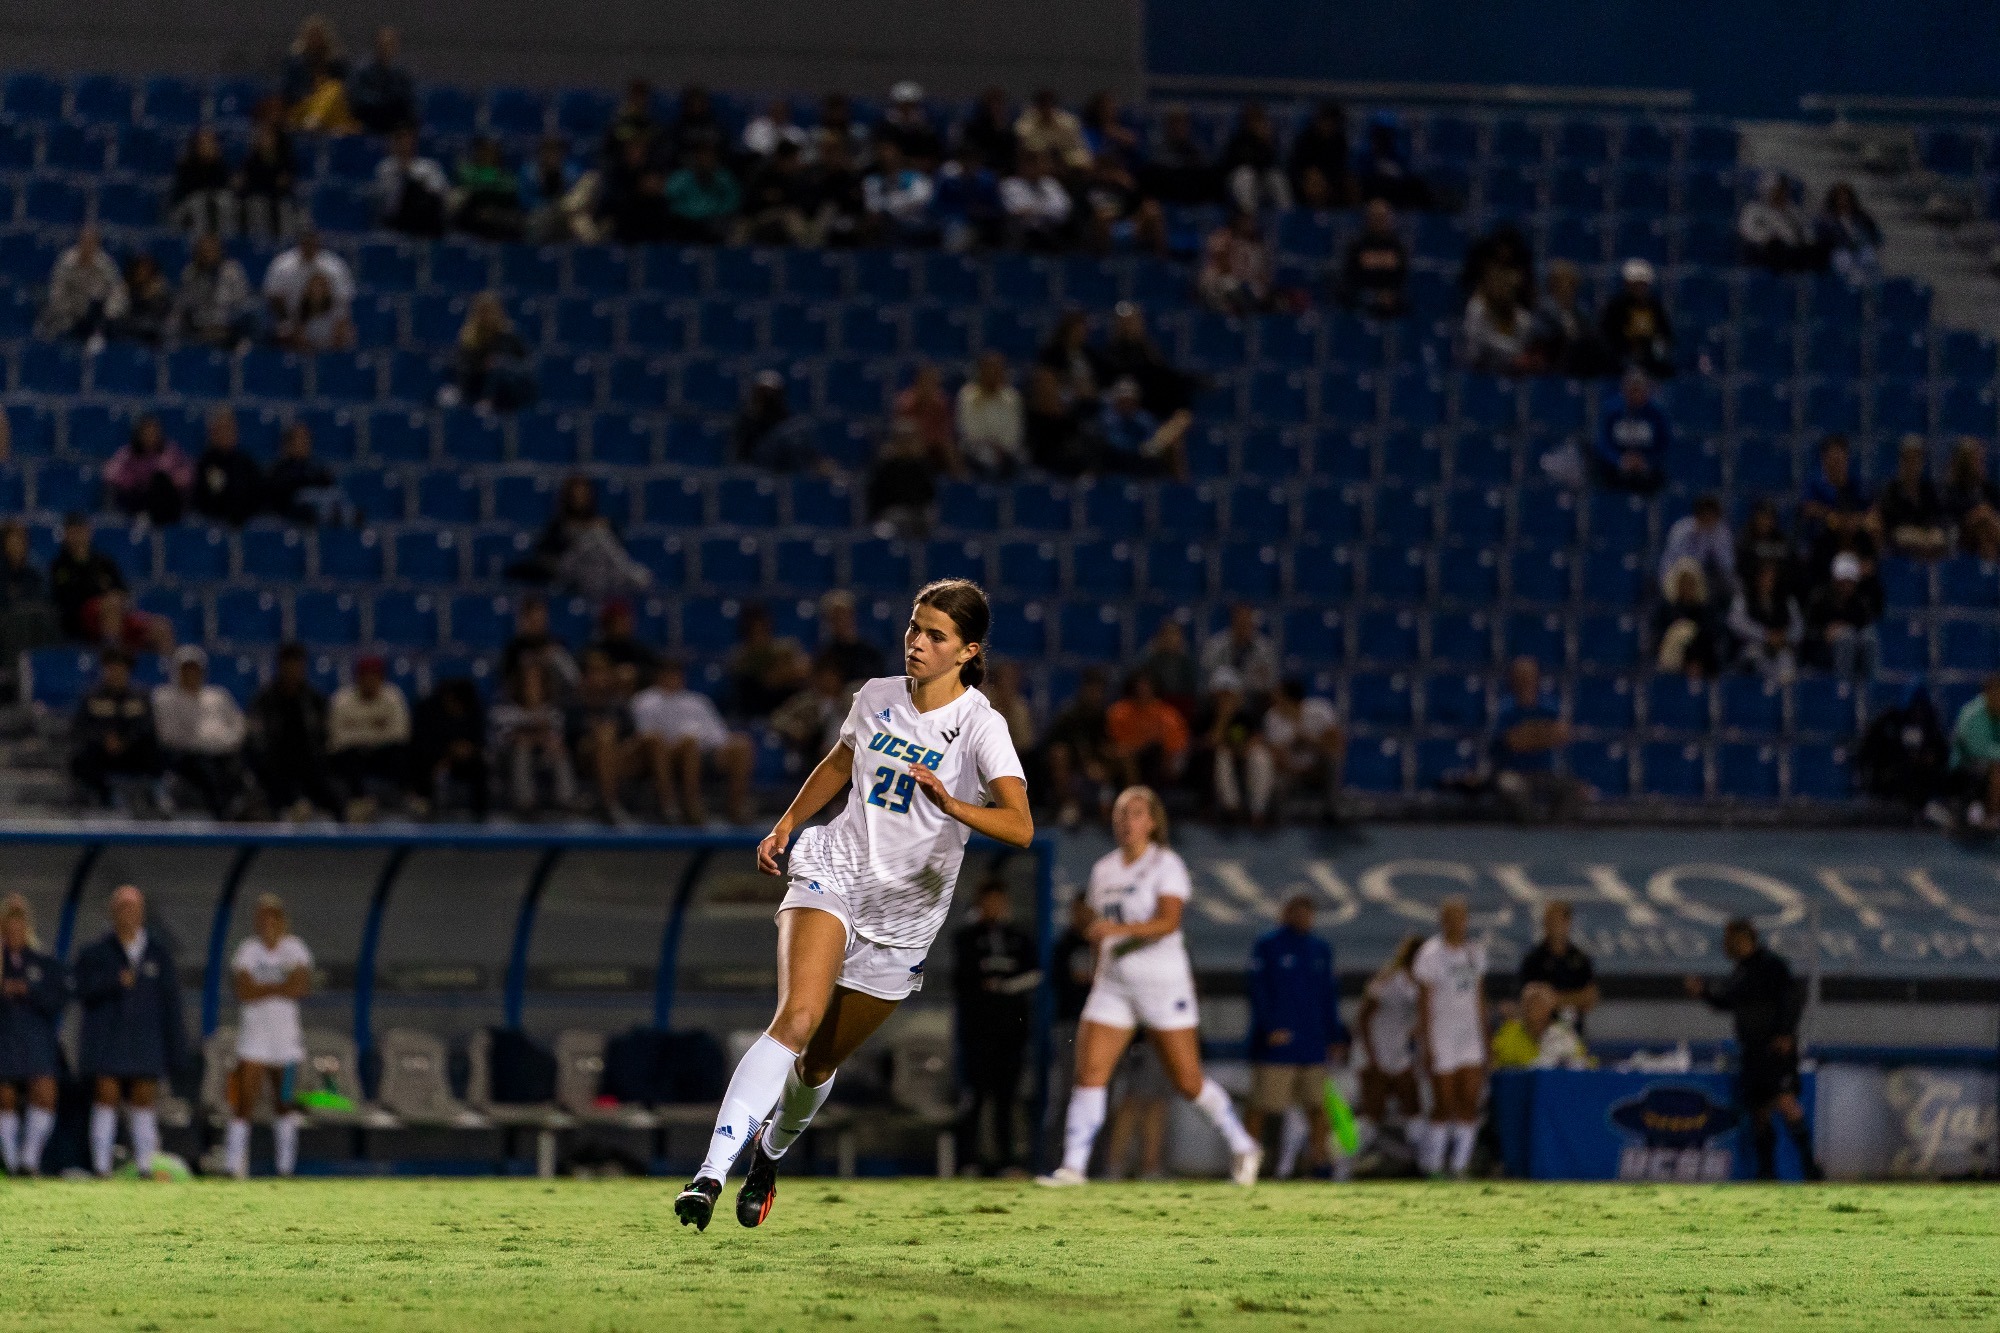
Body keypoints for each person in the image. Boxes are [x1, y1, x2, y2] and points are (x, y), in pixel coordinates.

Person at [677, 579, 1031, 1230]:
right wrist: (786, 825)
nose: (917, 642)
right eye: (915, 627)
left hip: (905, 916)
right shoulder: (874, 696)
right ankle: (708, 1173)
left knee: (817, 1062)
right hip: (834, 868)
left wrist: (954, 804)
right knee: (798, 1015)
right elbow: (840, 763)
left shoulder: (981, 726)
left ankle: (769, 1153)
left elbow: (1020, 825)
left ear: (967, 650)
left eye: (936, 635)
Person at [1037, 786, 1259, 1188]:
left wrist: (1116, 931)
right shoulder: (1104, 868)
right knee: (1089, 1073)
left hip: (1162, 983)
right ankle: (1074, 1168)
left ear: (1153, 822)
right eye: (1121, 812)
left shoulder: (1166, 864)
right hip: (1113, 985)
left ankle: (1243, 1143)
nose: (1126, 820)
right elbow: (1098, 930)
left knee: (1188, 1081)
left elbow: (1168, 922)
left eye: (1136, 813)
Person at [1683, 918, 1823, 1180]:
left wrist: (1784, 1032)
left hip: (1774, 1046)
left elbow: (1790, 999)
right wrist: (1704, 992)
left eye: (1728, 940)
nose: (1724, 946)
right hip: (1753, 1048)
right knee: (1759, 1108)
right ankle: (1766, 1171)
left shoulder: (1771, 965)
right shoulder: (1742, 971)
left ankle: (1810, 1167)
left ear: (1742, 938)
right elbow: (1728, 1002)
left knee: (1784, 1100)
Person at [75, 884, 187, 1178]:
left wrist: (176, 1048)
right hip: (108, 1038)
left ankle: (145, 1165)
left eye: (134, 906)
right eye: (123, 906)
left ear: (142, 912)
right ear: (113, 912)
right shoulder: (96, 952)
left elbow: (170, 1004)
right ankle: (101, 1166)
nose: (129, 912)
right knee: (106, 1096)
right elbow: (81, 990)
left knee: (143, 1100)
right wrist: (114, 980)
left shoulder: (158, 954)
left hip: (145, 1039)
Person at [1245, 894, 1347, 1179]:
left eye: (1309, 913)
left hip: (1312, 1042)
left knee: (1317, 1105)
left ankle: (1319, 1160)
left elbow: (1328, 996)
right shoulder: (1268, 945)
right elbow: (1258, 991)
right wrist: (1268, 1028)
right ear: (1286, 913)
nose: (1304, 919)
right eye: (1299, 913)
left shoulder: (1320, 949)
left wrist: (1334, 1034)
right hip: (1278, 1045)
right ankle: (1247, 1158)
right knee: (1262, 1105)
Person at [952, 879, 1039, 1176]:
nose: (994, 908)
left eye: (999, 902)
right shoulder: (966, 938)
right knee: (974, 1097)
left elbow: (1034, 974)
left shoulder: (1020, 938)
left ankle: (1007, 1162)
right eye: (988, 902)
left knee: (1006, 1098)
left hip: (1011, 1033)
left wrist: (1003, 986)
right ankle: (969, 1161)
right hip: (977, 1031)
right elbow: (963, 979)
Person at [222, 894, 311, 1179]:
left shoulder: (295, 949)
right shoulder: (248, 949)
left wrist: (263, 987)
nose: (268, 923)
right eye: (263, 918)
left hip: (286, 1043)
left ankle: (285, 1168)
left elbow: (300, 987)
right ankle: (231, 1166)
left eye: (274, 917)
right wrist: (279, 987)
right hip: (254, 1041)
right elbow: (243, 991)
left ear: (282, 920)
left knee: (284, 1102)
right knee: (243, 1102)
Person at [1412, 897, 1488, 1179]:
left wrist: (1484, 1035)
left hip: (1468, 1035)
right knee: (1443, 1102)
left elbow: (1478, 997)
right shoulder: (1431, 955)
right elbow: (1424, 1002)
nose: (1457, 923)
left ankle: (1459, 1165)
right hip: (1441, 1033)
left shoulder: (1473, 953)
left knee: (1469, 1100)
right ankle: (1432, 1164)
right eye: (1451, 917)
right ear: (1443, 921)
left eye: (1462, 917)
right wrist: (1427, 1042)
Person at [631, 661, 755, 824]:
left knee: (741, 744)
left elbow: (719, 737)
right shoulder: (645, 700)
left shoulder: (697, 701)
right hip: (664, 755)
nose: (672, 678)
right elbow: (645, 735)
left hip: (703, 752)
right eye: (667, 674)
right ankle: (681, 805)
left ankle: (736, 807)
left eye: (676, 674)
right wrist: (686, 742)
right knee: (688, 744)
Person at [0, 894, 64, 1176]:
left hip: (36, 1039)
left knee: (46, 1095)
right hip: (4, 1038)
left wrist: (29, 990)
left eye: (19, 926)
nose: (14, 932)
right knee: (5, 1099)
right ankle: (11, 1161)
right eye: (8, 927)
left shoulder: (43, 963)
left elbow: (58, 999)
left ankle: (29, 1159)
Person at [152, 645, 249, 819]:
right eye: (186, 670)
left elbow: (238, 725)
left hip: (224, 754)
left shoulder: (219, 696)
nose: (191, 674)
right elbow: (168, 735)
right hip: (186, 757)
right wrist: (206, 744)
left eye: (195, 670)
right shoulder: (165, 697)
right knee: (204, 767)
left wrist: (225, 743)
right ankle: (222, 815)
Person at [50, 515, 170, 652]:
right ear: (65, 535)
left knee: (161, 627)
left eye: (81, 530)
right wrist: (102, 595)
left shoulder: (104, 562)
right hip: (81, 621)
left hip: (116, 615)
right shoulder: (60, 565)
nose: (78, 536)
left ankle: (164, 670)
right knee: (111, 605)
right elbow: (66, 600)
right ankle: (113, 657)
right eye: (73, 532)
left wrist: (116, 599)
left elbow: (122, 592)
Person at [1354, 935, 1423, 1169]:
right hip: (1375, 1053)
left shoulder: (1420, 984)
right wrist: (1371, 1057)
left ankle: (1422, 1163)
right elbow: (1363, 1019)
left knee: (1413, 1106)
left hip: (1399, 1054)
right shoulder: (1389, 980)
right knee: (1372, 1112)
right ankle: (1342, 1164)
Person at [248, 642, 337, 819]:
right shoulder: (264, 700)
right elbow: (257, 739)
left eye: (297, 664)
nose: (293, 670)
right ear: (280, 666)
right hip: (276, 764)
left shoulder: (315, 700)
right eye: (288, 664)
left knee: (332, 789)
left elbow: (324, 735)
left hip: (310, 764)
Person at [568, 648, 655, 825]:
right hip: (586, 758)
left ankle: (668, 806)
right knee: (605, 737)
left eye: (603, 672)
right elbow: (571, 741)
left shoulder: (617, 703)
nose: (600, 677)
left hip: (618, 757)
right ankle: (609, 805)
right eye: (595, 672)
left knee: (651, 738)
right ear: (585, 676)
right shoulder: (574, 703)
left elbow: (631, 735)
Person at [1491, 656, 1579, 821]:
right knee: (1513, 789)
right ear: (1512, 680)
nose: (1525, 681)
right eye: (1520, 677)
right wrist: (1545, 735)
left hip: (1543, 772)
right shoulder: (1505, 708)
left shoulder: (1549, 706)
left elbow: (1564, 735)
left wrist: (1529, 735)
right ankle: (1531, 833)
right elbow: (1514, 743)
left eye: (1529, 676)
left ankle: (1555, 832)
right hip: (1513, 772)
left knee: (1572, 789)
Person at [70, 648, 161, 808]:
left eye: (120, 668)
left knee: (155, 749)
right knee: (79, 757)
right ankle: (100, 797)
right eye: (110, 668)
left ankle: (155, 796)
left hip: (132, 752)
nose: (115, 672)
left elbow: (147, 726)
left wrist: (125, 741)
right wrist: (103, 740)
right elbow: (81, 728)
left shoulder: (141, 697)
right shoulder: (91, 697)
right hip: (101, 753)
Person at [536, 475, 650, 599]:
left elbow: (618, 554)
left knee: (599, 537)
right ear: (568, 497)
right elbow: (547, 559)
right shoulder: (557, 528)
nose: (580, 499)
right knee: (593, 539)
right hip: (573, 580)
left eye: (584, 494)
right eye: (576, 495)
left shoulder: (605, 525)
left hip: (605, 575)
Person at [328, 656, 411, 821]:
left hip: (383, 754)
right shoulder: (342, 700)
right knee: (347, 755)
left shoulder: (393, 697)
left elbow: (400, 734)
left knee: (401, 752)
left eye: (374, 676)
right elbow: (337, 739)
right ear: (357, 678)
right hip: (352, 755)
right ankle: (358, 803)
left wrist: (358, 729)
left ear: (381, 678)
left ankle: (408, 798)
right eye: (365, 676)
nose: (370, 681)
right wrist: (375, 728)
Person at [490, 660, 578, 817]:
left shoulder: (553, 711)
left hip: (544, 755)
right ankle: (525, 803)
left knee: (557, 748)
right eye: (528, 681)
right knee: (522, 746)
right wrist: (530, 735)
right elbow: (501, 739)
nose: (532, 686)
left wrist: (536, 737)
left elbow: (556, 734)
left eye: (537, 682)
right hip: (508, 758)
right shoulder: (505, 709)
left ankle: (567, 801)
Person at [1254, 679, 1346, 824]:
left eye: (1277, 695)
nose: (1273, 699)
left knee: (1332, 762)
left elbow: (1336, 747)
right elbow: (1276, 757)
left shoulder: (1320, 710)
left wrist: (1309, 741)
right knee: (1277, 784)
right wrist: (1291, 747)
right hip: (1290, 773)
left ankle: (1331, 813)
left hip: (1317, 769)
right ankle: (1276, 825)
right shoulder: (1272, 717)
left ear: (1287, 698)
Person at [1857, 681, 1949, 816]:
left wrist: (1928, 758)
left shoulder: (1931, 726)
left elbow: (1942, 755)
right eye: (1915, 707)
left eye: (1921, 707)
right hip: (1891, 783)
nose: (1918, 712)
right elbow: (1868, 751)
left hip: (1921, 786)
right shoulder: (1889, 722)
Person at [411, 678, 491, 820]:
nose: (458, 710)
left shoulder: (473, 708)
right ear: (449, 698)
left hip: (463, 761)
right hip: (434, 759)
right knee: (420, 762)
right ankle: (425, 813)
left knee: (479, 767)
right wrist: (444, 755)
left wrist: (468, 749)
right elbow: (420, 742)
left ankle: (481, 818)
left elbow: (480, 741)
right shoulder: (427, 709)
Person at [1043, 668, 1112, 827]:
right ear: (1084, 689)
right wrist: (1088, 765)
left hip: (1095, 762)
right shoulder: (1069, 714)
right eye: (1092, 689)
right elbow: (1074, 745)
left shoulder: (1102, 714)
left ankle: (1111, 810)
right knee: (1059, 755)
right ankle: (1068, 806)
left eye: (1099, 690)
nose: (1095, 694)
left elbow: (1104, 744)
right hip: (1069, 764)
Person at [35, 225, 127, 343]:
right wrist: (69, 310)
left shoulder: (104, 264)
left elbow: (117, 291)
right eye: (85, 243)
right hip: (70, 312)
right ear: (80, 243)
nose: (88, 247)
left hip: (98, 314)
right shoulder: (67, 262)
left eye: (92, 243)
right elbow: (57, 291)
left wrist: (109, 312)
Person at [1517, 901, 1599, 1033]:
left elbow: (1590, 998)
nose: (1554, 926)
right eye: (1549, 921)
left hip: (1573, 1034)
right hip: (1539, 1037)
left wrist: (1554, 999)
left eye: (1558, 921)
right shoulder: (1533, 959)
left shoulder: (1580, 959)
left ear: (1568, 923)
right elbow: (1526, 999)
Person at [170, 231, 257, 349]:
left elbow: (242, 303)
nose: (207, 255)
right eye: (203, 251)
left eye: (211, 250)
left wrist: (225, 324)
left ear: (220, 251)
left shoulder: (232, 271)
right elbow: (184, 306)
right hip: (200, 331)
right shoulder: (190, 274)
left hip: (229, 330)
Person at [450, 292, 536, 411]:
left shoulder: (510, 337)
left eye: (490, 311)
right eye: (482, 311)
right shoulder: (468, 339)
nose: (486, 316)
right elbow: (463, 369)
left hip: (508, 390)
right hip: (476, 387)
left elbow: (526, 366)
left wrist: (502, 363)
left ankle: (488, 402)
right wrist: (483, 366)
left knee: (499, 366)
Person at [1106, 672, 1190, 792]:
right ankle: (1134, 797)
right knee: (1126, 757)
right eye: (1139, 687)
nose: (1143, 691)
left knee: (1156, 751)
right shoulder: (1120, 712)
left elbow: (1177, 746)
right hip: (1128, 760)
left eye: (1147, 686)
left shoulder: (1167, 714)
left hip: (1159, 760)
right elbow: (1117, 744)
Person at [104, 414, 193, 526]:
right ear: (139, 434)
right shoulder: (127, 454)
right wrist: (137, 480)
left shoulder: (171, 451)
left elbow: (187, 473)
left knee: (160, 480)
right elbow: (110, 473)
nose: (150, 436)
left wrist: (172, 479)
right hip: (138, 498)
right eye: (146, 433)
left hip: (165, 500)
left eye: (153, 433)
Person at [1529, 260, 1613, 377]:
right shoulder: (1544, 309)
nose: (1566, 287)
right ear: (1552, 284)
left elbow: (1592, 335)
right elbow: (1542, 336)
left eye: (1570, 283)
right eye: (1561, 282)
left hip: (1580, 360)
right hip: (1555, 358)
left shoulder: (1581, 311)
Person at [726, 603, 809, 720]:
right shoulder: (740, 655)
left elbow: (804, 669)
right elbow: (768, 680)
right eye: (755, 630)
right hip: (754, 710)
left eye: (762, 628)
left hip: (786, 707)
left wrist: (782, 674)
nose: (759, 634)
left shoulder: (786, 647)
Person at [1805, 551, 1881, 676]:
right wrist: (1824, 633)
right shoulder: (1819, 599)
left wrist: (1844, 629)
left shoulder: (1860, 603)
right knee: (1846, 639)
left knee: (1869, 638)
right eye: (1842, 582)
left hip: (1855, 650)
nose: (1846, 586)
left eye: (1850, 582)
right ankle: (1843, 687)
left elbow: (1864, 627)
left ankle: (1871, 686)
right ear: (1835, 580)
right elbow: (1808, 632)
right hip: (1822, 651)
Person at [262, 229, 353, 333]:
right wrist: (287, 324)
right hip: (291, 321)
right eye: (306, 243)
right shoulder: (282, 265)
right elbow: (273, 296)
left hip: (328, 319)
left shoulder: (334, 265)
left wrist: (340, 326)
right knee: (284, 331)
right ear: (300, 243)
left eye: (312, 243)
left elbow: (342, 300)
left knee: (344, 332)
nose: (309, 246)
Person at [1097, 378, 1191, 479]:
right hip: (1116, 461)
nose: (1127, 404)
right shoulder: (1107, 418)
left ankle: (1181, 484)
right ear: (1117, 401)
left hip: (1142, 462)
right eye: (1123, 401)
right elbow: (1112, 440)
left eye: (1130, 400)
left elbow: (1151, 439)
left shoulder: (1143, 418)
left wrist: (1148, 447)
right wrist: (1138, 448)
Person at [1728, 561, 1805, 684]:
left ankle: (1785, 696)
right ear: (1757, 579)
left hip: (1781, 646)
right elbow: (1736, 623)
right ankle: (1768, 693)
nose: (1767, 581)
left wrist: (1784, 637)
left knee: (1786, 658)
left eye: (1771, 578)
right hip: (1752, 647)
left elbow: (1798, 627)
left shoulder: (1787, 600)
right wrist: (1765, 635)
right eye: (1764, 577)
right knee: (1757, 656)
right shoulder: (1743, 599)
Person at [1594, 370, 1670, 493]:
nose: (1635, 395)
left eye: (1639, 390)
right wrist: (1620, 460)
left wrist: (1646, 460)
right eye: (1631, 390)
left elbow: (1663, 444)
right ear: (1624, 390)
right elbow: (1603, 443)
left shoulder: (1657, 414)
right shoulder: (1611, 411)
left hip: (1647, 469)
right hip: (1616, 467)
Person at [1598, 258, 1675, 379]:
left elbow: (1665, 335)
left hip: (1649, 359)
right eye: (1635, 284)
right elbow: (1606, 334)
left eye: (1642, 284)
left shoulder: (1655, 307)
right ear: (1627, 284)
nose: (1639, 288)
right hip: (1620, 359)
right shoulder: (1615, 306)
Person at [1876, 436, 1950, 560]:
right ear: (1901, 462)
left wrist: (1928, 533)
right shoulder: (1890, 490)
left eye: (1916, 459)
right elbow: (1892, 525)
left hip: (1926, 537)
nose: (1912, 464)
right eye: (1908, 459)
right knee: (1905, 536)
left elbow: (1938, 517)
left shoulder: (1929, 490)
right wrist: (1917, 534)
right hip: (1900, 540)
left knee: (1938, 538)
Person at [1658, 493, 1737, 606]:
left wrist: (1714, 542)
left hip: (1708, 582)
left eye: (1712, 516)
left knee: (1725, 587)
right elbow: (1668, 563)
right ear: (1697, 515)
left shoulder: (1722, 533)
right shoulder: (1682, 530)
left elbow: (1728, 565)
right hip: (1680, 578)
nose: (1708, 520)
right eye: (1705, 515)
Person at [955, 353, 1026, 477]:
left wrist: (1002, 447)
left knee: (1021, 462)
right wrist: (991, 444)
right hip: (976, 450)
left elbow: (1014, 433)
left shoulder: (1012, 398)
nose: (993, 374)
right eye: (989, 369)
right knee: (987, 464)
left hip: (1006, 451)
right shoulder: (968, 396)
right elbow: (969, 430)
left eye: (998, 370)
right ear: (980, 372)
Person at [191, 408, 265, 527]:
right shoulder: (205, 463)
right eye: (221, 430)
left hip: (245, 520)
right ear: (212, 433)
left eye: (230, 429)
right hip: (215, 522)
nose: (226, 434)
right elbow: (202, 500)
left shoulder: (246, 462)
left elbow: (258, 494)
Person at [733, 371, 818, 473]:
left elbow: (809, 457)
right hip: (756, 474)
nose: (767, 398)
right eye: (762, 393)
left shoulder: (793, 427)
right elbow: (739, 459)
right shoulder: (745, 425)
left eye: (772, 393)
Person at [1489, 981, 1588, 1069]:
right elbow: (1494, 1065)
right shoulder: (1508, 1031)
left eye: (1539, 1002)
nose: (1533, 1007)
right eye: (1529, 1002)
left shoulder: (1564, 1033)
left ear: (1550, 1007)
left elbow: (1582, 1065)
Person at [502, 595, 581, 702]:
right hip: (521, 707)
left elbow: (574, 679)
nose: (537, 624)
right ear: (523, 620)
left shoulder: (558, 647)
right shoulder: (513, 649)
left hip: (556, 705)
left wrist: (554, 657)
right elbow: (505, 685)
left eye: (541, 619)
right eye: (532, 620)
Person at [1461, 262, 1537, 374]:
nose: (1503, 291)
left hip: (1510, 372)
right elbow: (1476, 342)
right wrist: (1511, 350)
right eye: (1499, 284)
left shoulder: (1522, 318)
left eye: (1508, 287)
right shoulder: (1477, 307)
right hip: (1476, 368)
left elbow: (1523, 350)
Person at [264, 421, 344, 526]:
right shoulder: (278, 470)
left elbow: (330, 489)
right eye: (299, 438)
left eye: (306, 438)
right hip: (289, 520)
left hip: (321, 517)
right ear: (288, 443)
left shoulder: (318, 469)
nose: (305, 442)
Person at [1341, 199, 1410, 319]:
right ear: (1367, 219)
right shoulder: (1357, 246)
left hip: (1391, 301)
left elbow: (1402, 277)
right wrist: (1373, 296)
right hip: (1362, 298)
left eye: (1383, 217)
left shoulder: (1397, 247)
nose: (1379, 221)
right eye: (1375, 216)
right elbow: (1350, 277)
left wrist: (1389, 294)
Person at [1218, 101, 1291, 213]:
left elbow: (1270, 164)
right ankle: (1248, 215)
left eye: (1259, 119)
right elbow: (1242, 163)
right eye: (1253, 119)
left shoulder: (1267, 141)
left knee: (1276, 177)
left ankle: (1286, 215)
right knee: (1246, 175)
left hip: (1261, 183)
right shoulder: (1238, 140)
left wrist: (1266, 144)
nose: (1257, 123)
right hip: (1239, 185)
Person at [861, 141, 937, 247]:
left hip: (916, 224)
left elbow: (922, 199)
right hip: (887, 227)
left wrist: (892, 203)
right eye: (884, 156)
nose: (888, 159)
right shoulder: (873, 181)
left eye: (891, 156)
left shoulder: (915, 178)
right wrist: (895, 204)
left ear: (899, 157)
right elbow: (873, 207)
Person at [866, 420, 937, 534]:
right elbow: (876, 498)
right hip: (891, 513)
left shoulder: (921, 465)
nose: (906, 444)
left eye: (909, 440)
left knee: (928, 519)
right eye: (902, 440)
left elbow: (929, 494)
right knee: (893, 523)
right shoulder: (886, 465)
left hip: (917, 513)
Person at [1739, 173, 1819, 273]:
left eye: (1783, 191)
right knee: (1776, 247)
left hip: (1795, 250)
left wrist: (1808, 241)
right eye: (1777, 190)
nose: (1781, 194)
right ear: (1767, 191)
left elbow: (1807, 230)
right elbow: (1747, 231)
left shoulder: (1793, 210)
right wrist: (1767, 237)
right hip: (1768, 250)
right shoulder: (1753, 209)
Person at [1655, 561, 1723, 678]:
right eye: (1683, 583)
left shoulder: (1705, 611)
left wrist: (1696, 661)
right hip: (1670, 669)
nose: (1687, 588)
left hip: (1702, 667)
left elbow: (1710, 637)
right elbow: (1657, 637)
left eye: (1690, 583)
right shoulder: (1666, 611)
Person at [1950, 674, 2000, 830]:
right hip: (1964, 766)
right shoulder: (1973, 714)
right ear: (1988, 692)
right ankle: (1990, 817)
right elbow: (1978, 750)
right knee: (1996, 770)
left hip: (1987, 763)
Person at [1199, 211, 1275, 314]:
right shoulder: (1224, 238)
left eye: (1251, 222)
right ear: (1237, 222)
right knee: (1225, 282)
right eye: (1245, 222)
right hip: (1229, 281)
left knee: (1257, 290)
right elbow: (1220, 263)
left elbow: (1263, 271)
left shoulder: (1259, 244)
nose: (1249, 225)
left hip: (1251, 285)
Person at [891, 363, 960, 475]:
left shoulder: (941, 403)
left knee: (950, 448)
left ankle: (961, 485)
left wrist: (935, 441)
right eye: (926, 382)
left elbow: (944, 432)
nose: (930, 386)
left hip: (935, 447)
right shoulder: (906, 402)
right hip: (911, 446)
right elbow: (901, 432)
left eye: (934, 383)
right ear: (918, 383)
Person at [453, 136, 525, 241]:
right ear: (477, 152)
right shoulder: (467, 171)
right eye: (484, 150)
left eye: (492, 150)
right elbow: (471, 187)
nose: (488, 154)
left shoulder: (506, 176)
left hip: (499, 214)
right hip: (472, 214)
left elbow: (510, 189)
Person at [234, 121, 299, 238]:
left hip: (278, 196)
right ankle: (259, 240)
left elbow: (284, 183)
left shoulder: (285, 160)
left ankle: (286, 240)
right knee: (256, 204)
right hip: (256, 196)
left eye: (268, 137)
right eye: (262, 136)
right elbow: (247, 182)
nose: (264, 140)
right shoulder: (251, 159)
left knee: (286, 206)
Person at [664, 144, 740, 245]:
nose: (705, 161)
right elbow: (670, 198)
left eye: (709, 158)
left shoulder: (724, 178)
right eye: (701, 158)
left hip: (714, 221)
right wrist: (690, 213)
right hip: (684, 221)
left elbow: (733, 201)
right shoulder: (681, 177)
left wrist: (715, 212)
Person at [1200, 604, 1280, 698]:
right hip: (1224, 697)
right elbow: (1208, 675)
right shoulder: (1215, 645)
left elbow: (1270, 679)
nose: (1244, 626)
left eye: (1247, 622)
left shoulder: (1265, 648)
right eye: (1241, 622)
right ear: (1233, 622)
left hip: (1254, 697)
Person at [1140, 107, 1216, 206]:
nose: (1179, 127)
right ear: (1167, 126)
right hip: (1169, 193)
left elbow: (1205, 168)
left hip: (1193, 195)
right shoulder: (1158, 149)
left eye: (1182, 123)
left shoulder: (1195, 149)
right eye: (1174, 123)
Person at [347, 26, 415, 134]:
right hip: (371, 118)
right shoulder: (363, 71)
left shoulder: (401, 73)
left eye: (390, 45)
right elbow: (358, 98)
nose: (386, 49)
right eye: (383, 45)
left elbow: (407, 98)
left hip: (394, 120)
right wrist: (382, 102)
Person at [999, 150, 1072, 250]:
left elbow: (1063, 209)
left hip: (1054, 229)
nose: (1035, 168)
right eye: (1030, 165)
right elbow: (1015, 212)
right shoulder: (1010, 185)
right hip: (1024, 233)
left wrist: (1034, 211)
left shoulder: (1050, 183)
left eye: (1038, 164)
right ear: (1021, 167)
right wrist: (1045, 211)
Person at [170, 127, 234, 234]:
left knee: (225, 200)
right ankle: (201, 238)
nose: (208, 146)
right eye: (204, 143)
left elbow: (225, 188)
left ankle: (226, 237)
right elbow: (188, 191)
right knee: (198, 202)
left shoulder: (221, 167)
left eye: (211, 143)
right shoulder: (187, 166)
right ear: (196, 145)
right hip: (185, 208)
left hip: (213, 205)